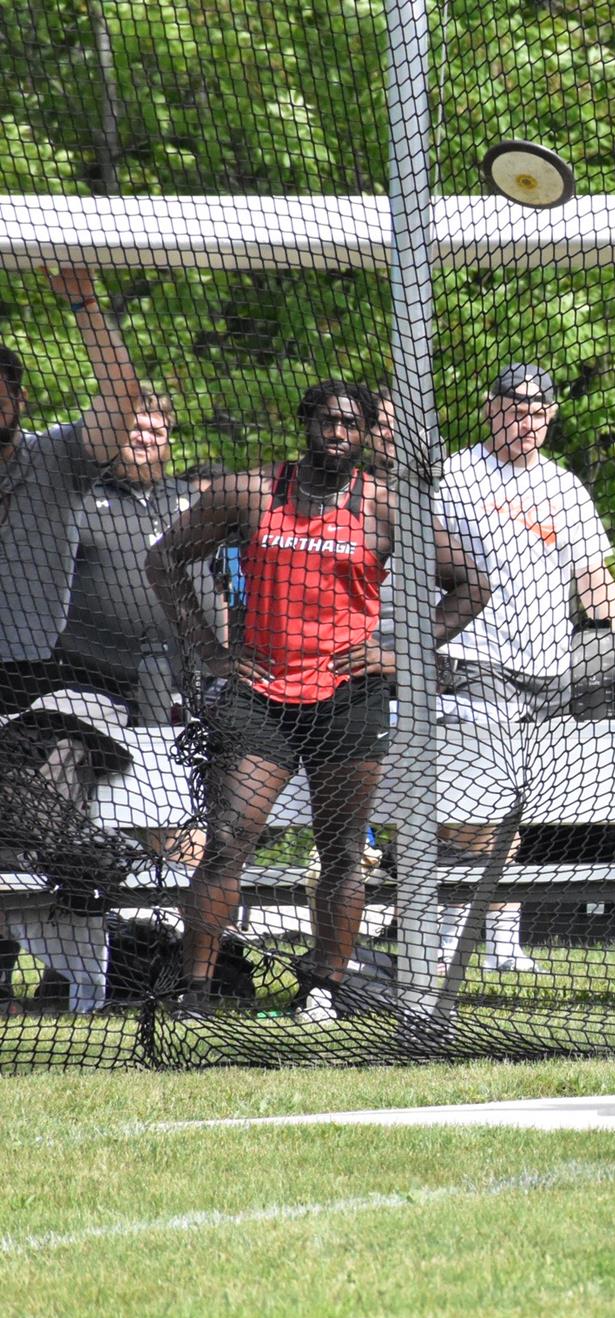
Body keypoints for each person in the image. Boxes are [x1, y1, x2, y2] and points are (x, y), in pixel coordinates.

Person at [147, 381, 489, 1019]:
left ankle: (324, 991)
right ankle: (194, 991)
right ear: (306, 423)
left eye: (351, 426)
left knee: (341, 851)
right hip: (260, 692)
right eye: (328, 422)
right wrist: (209, 649)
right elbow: (164, 560)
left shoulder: (385, 506)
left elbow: (470, 584)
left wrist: (403, 651)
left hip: (347, 697)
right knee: (226, 841)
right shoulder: (249, 492)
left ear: (364, 436)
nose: (338, 435)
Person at [433, 363, 615, 971]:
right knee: (471, 803)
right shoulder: (453, 475)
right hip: (472, 657)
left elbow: (595, 582)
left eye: (538, 410)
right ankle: (453, 933)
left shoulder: (565, 487)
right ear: (489, 407)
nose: (527, 420)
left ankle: (501, 940)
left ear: (551, 417)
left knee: (513, 804)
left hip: (549, 667)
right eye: (516, 407)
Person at [0, 268, 143, 715]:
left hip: (32, 668)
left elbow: (122, 396)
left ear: (20, 399)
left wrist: (85, 304)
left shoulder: (58, 456)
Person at [53, 390, 227, 726]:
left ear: (167, 442)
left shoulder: (190, 498)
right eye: (135, 427)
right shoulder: (77, 496)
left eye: (156, 432)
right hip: (91, 689)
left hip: (191, 688)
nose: (144, 439)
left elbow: (216, 583)